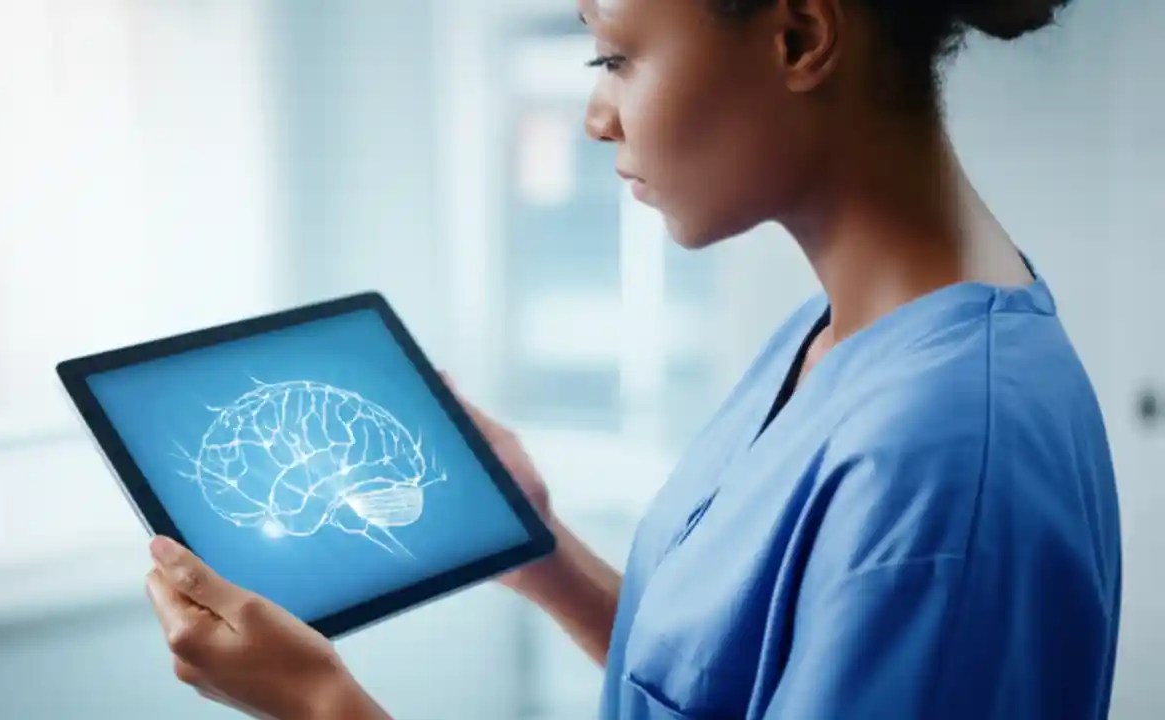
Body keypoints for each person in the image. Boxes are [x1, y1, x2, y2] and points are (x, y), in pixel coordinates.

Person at [143, 0, 1122, 717]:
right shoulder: (831, 338)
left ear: (797, 37)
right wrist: (547, 556)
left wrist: (324, 706)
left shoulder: (943, 455)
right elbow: (733, 688)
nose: (597, 117)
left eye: (614, 57)